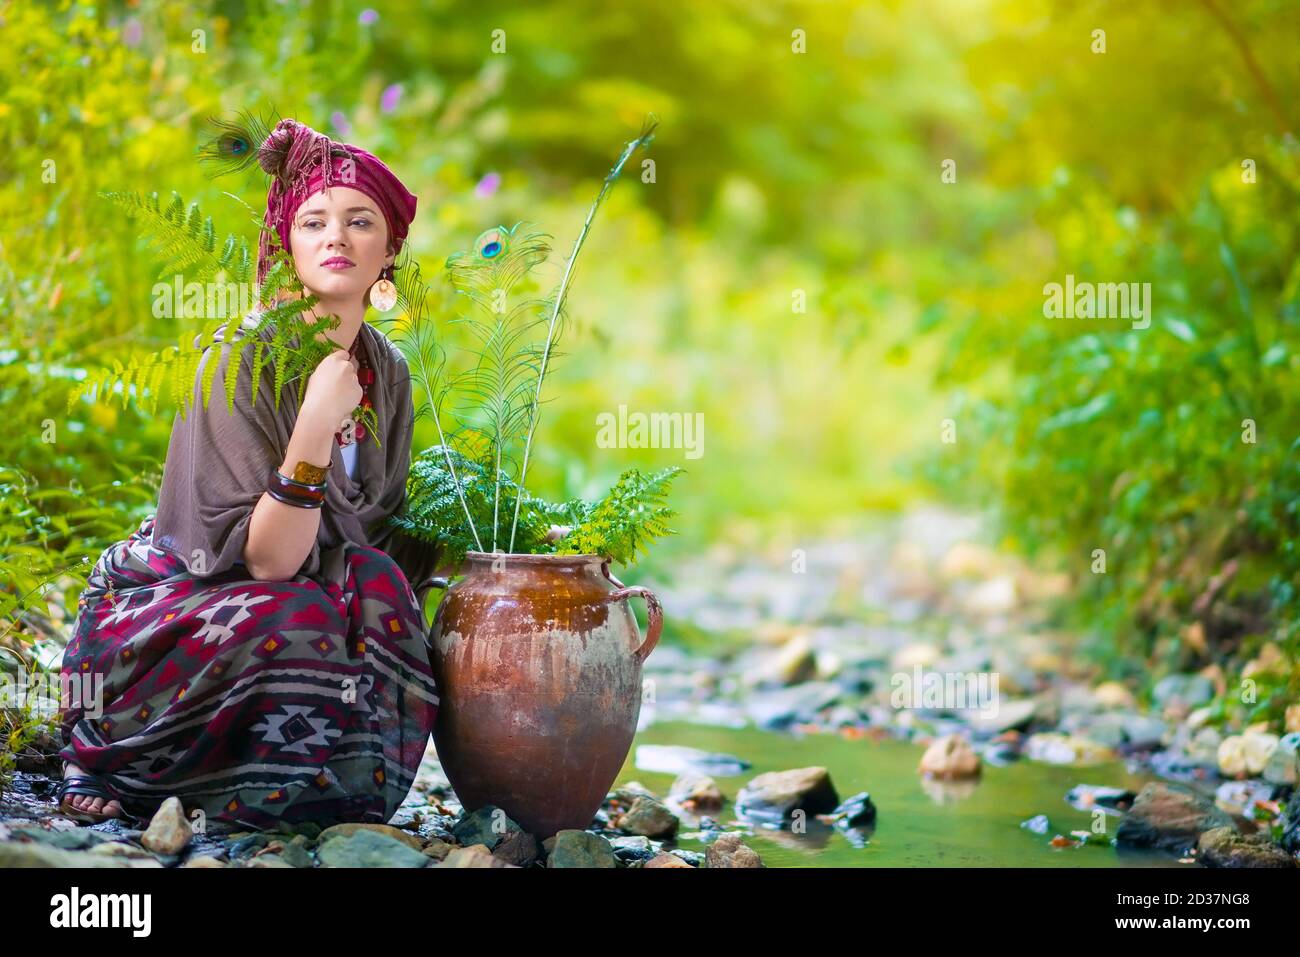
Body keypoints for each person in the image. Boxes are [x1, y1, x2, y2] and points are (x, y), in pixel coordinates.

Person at [56, 117, 444, 830]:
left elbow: (371, 537)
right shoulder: (240, 358)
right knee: (295, 614)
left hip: (300, 592)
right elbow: (267, 560)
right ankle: (132, 762)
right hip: (178, 604)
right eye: (314, 221)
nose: (336, 237)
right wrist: (317, 419)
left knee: (383, 592)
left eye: (361, 222)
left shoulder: (388, 371)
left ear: (389, 250)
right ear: (284, 242)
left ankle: (321, 791)